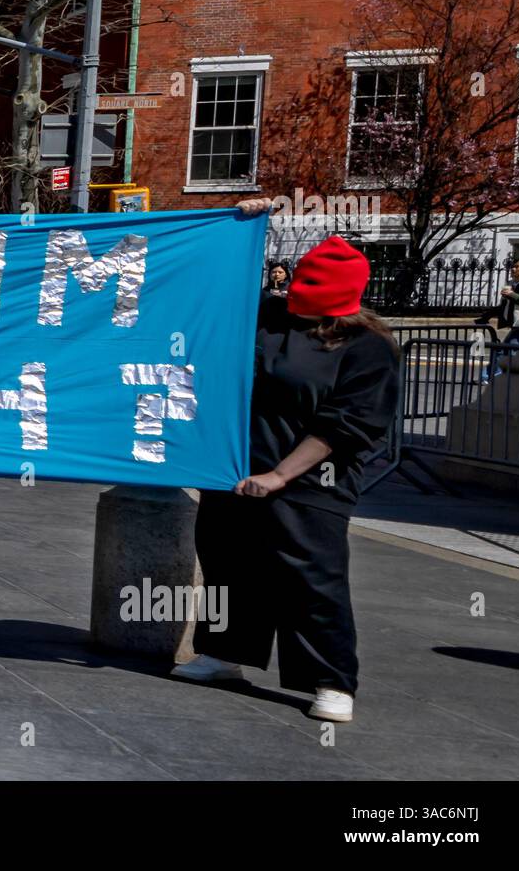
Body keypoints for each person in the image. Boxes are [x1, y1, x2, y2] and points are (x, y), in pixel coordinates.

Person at [171, 199, 400, 724]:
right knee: (229, 562)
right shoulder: (269, 316)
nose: (292, 303)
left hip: (313, 480)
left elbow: (346, 424)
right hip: (237, 467)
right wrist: (239, 221)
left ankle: (331, 680)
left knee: (312, 576)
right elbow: (210, 280)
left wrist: (279, 476)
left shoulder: (369, 348)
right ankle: (226, 655)